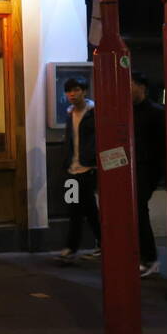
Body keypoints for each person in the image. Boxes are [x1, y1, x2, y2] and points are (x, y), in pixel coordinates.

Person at [58, 76, 101, 263]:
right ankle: (103, 242)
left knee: (77, 209)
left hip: (88, 169)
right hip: (71, 169)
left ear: (84, 91)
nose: (72, 94)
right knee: (84, 208)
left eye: (76, 90)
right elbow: (69, 139)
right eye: (68, 91)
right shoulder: (69, 113)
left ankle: (71, 248)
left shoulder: (95, 112)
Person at [132, 72, 166, 277]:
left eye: (130, 84)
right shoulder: (127, 110)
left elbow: (164, 145)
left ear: (141, 87)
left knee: (138, 209)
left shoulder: (156, 112)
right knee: (134, 212)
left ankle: (150, 258)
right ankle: (142, 255)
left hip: (149, 168)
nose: (126, 89)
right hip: (132, 166)